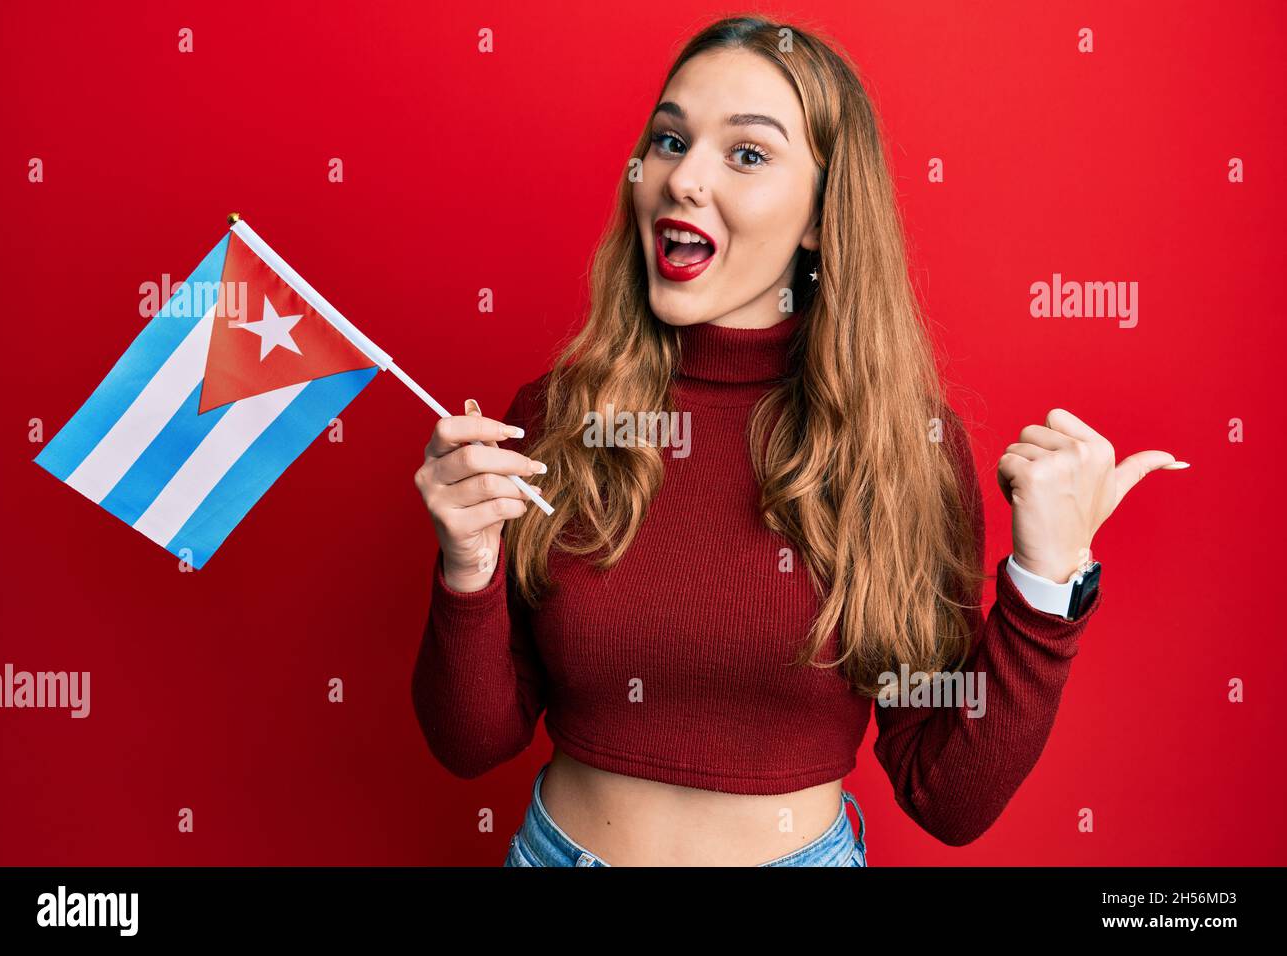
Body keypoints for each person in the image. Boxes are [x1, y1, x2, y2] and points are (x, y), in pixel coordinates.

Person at [411, 15, 1185, 867]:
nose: (684, 179)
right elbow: (470, 744)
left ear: (821, 214)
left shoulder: (904, 448)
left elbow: (948, 796)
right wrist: (466, 568)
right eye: (670, 140)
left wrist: (1047, 583)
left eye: (746, 154)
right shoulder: (562, 414)